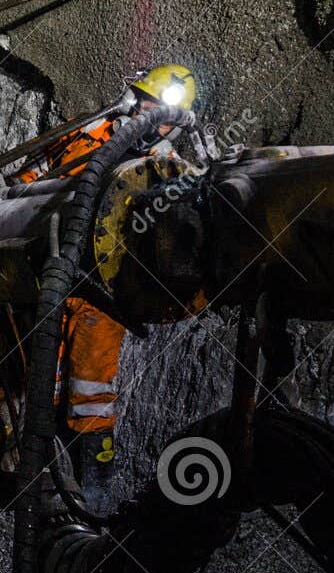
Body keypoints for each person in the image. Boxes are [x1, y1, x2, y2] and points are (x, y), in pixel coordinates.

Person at [17, 64, 198, 492]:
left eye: (167, 116)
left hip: (102, 292)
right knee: (37, 370)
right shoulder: (83, 132)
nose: (157, 120)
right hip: (46, 268)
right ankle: (34, 472)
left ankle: (93, 488)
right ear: (136, 99)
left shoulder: (164, 175)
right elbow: (29, 176)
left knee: (92, 386)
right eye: (153, 107)